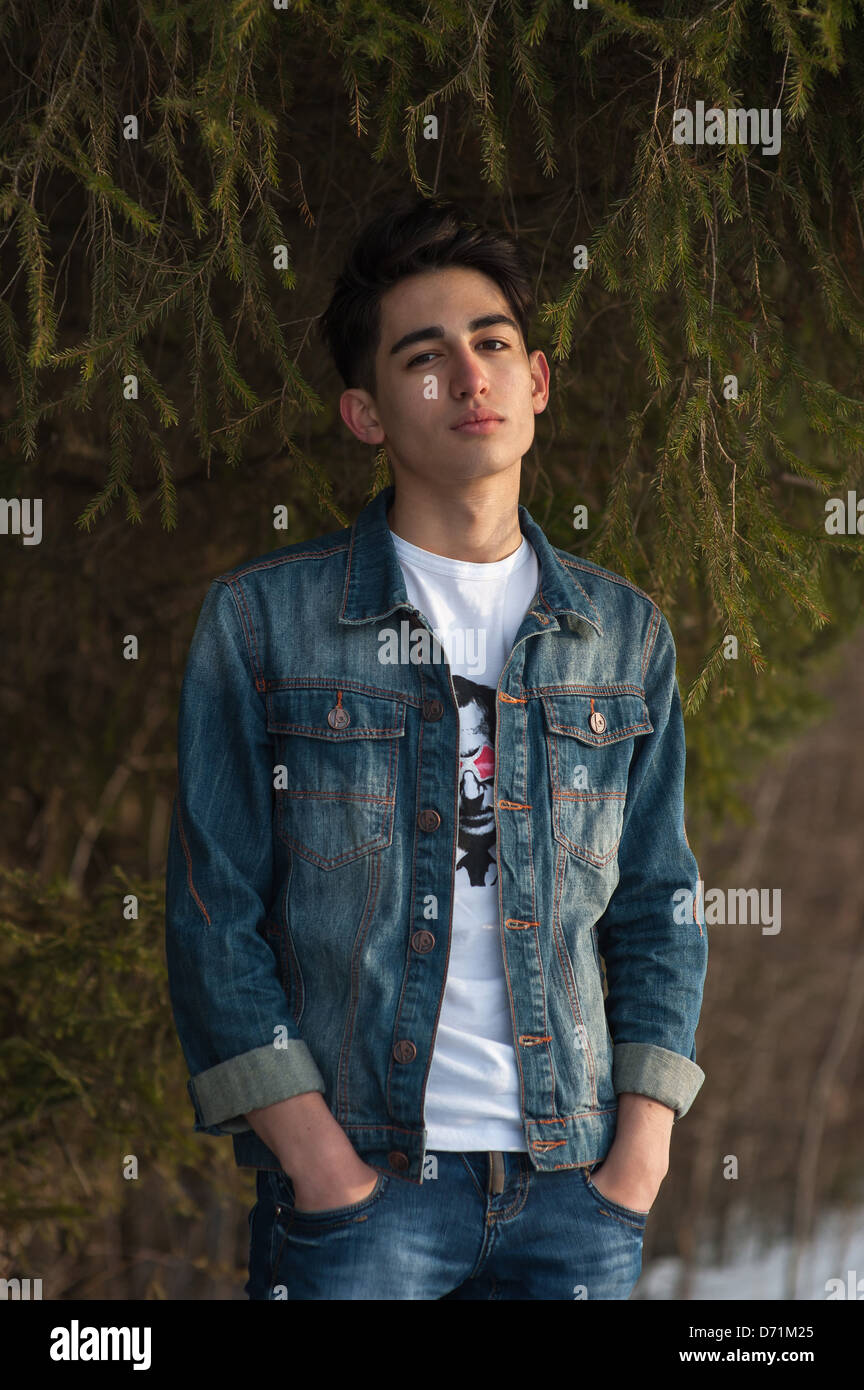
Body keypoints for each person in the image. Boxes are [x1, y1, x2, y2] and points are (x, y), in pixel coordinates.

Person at [164, 194, 708, 1300]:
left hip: (575, 1192)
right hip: (362, 1195)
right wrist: (321, 1166)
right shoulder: (264, 625)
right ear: (366, 414)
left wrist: (637, 1157)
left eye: (494, 344)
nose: (469, 376)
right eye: (426, 355)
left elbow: (660, 906)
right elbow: (212, 916)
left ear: (538, 382)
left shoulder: (623, 635)